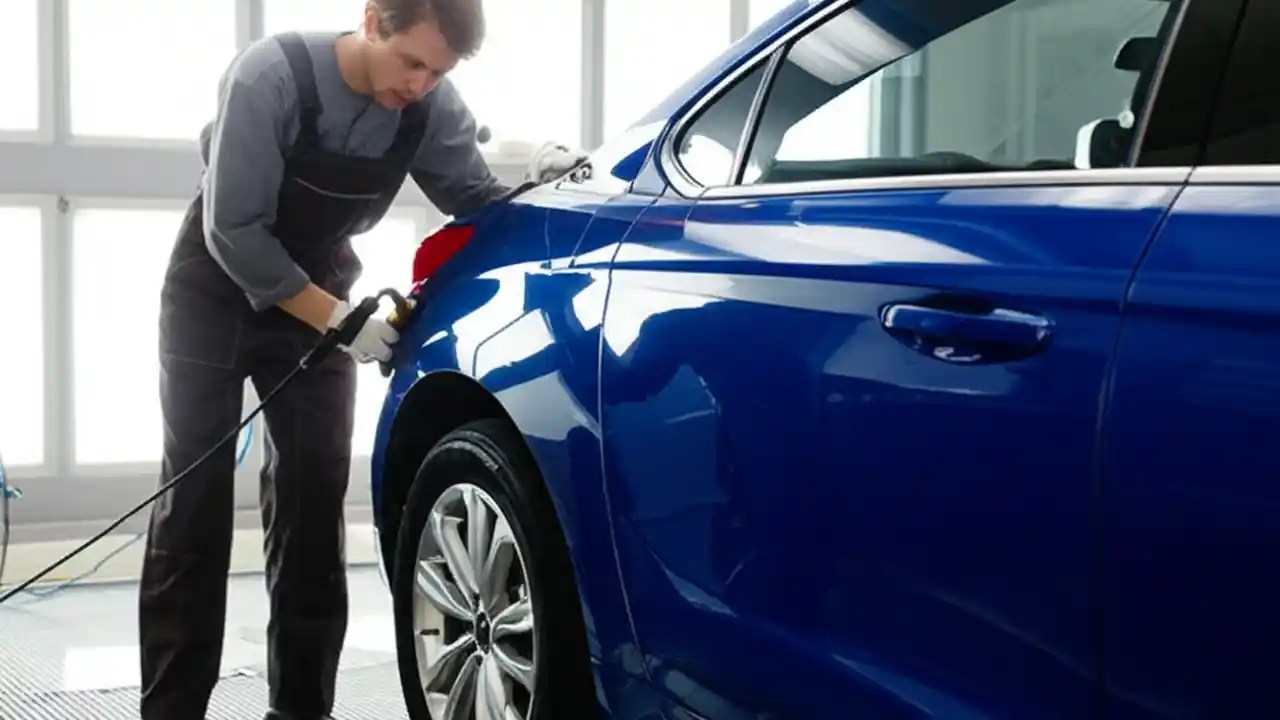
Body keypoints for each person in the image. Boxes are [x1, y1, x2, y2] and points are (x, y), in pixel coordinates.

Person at [137, 1, 584, 718]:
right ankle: (171, 711)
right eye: (412, 62)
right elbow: (234, 229)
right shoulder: (270, 77)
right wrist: (338, 321)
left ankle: (302, 710)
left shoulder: (427, 106)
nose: (420, 84)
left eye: (437, 72)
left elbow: (473, 202)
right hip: (213, 293)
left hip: (320, 301)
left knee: (314, 513)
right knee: (193, 512)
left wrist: (554, 192)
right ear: (375, 17)